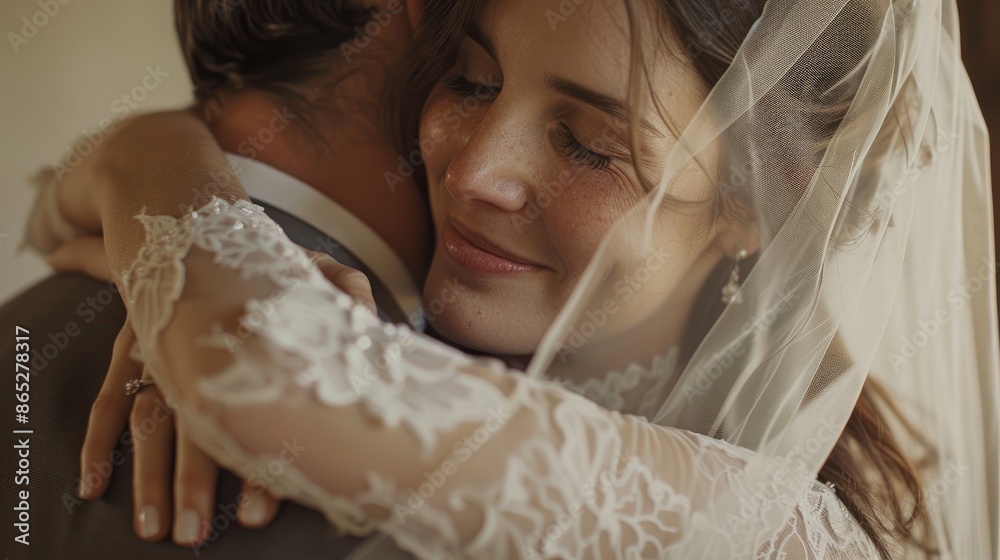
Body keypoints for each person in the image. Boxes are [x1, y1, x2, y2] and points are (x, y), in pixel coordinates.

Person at [26, 0, 1000, 557]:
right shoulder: (417, 342)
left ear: (757, 207)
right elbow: (53, 213)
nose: (473, 170)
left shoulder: (771, 526)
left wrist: (145, 157)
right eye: (472, 80)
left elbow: (263, 371)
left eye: (587, 144)